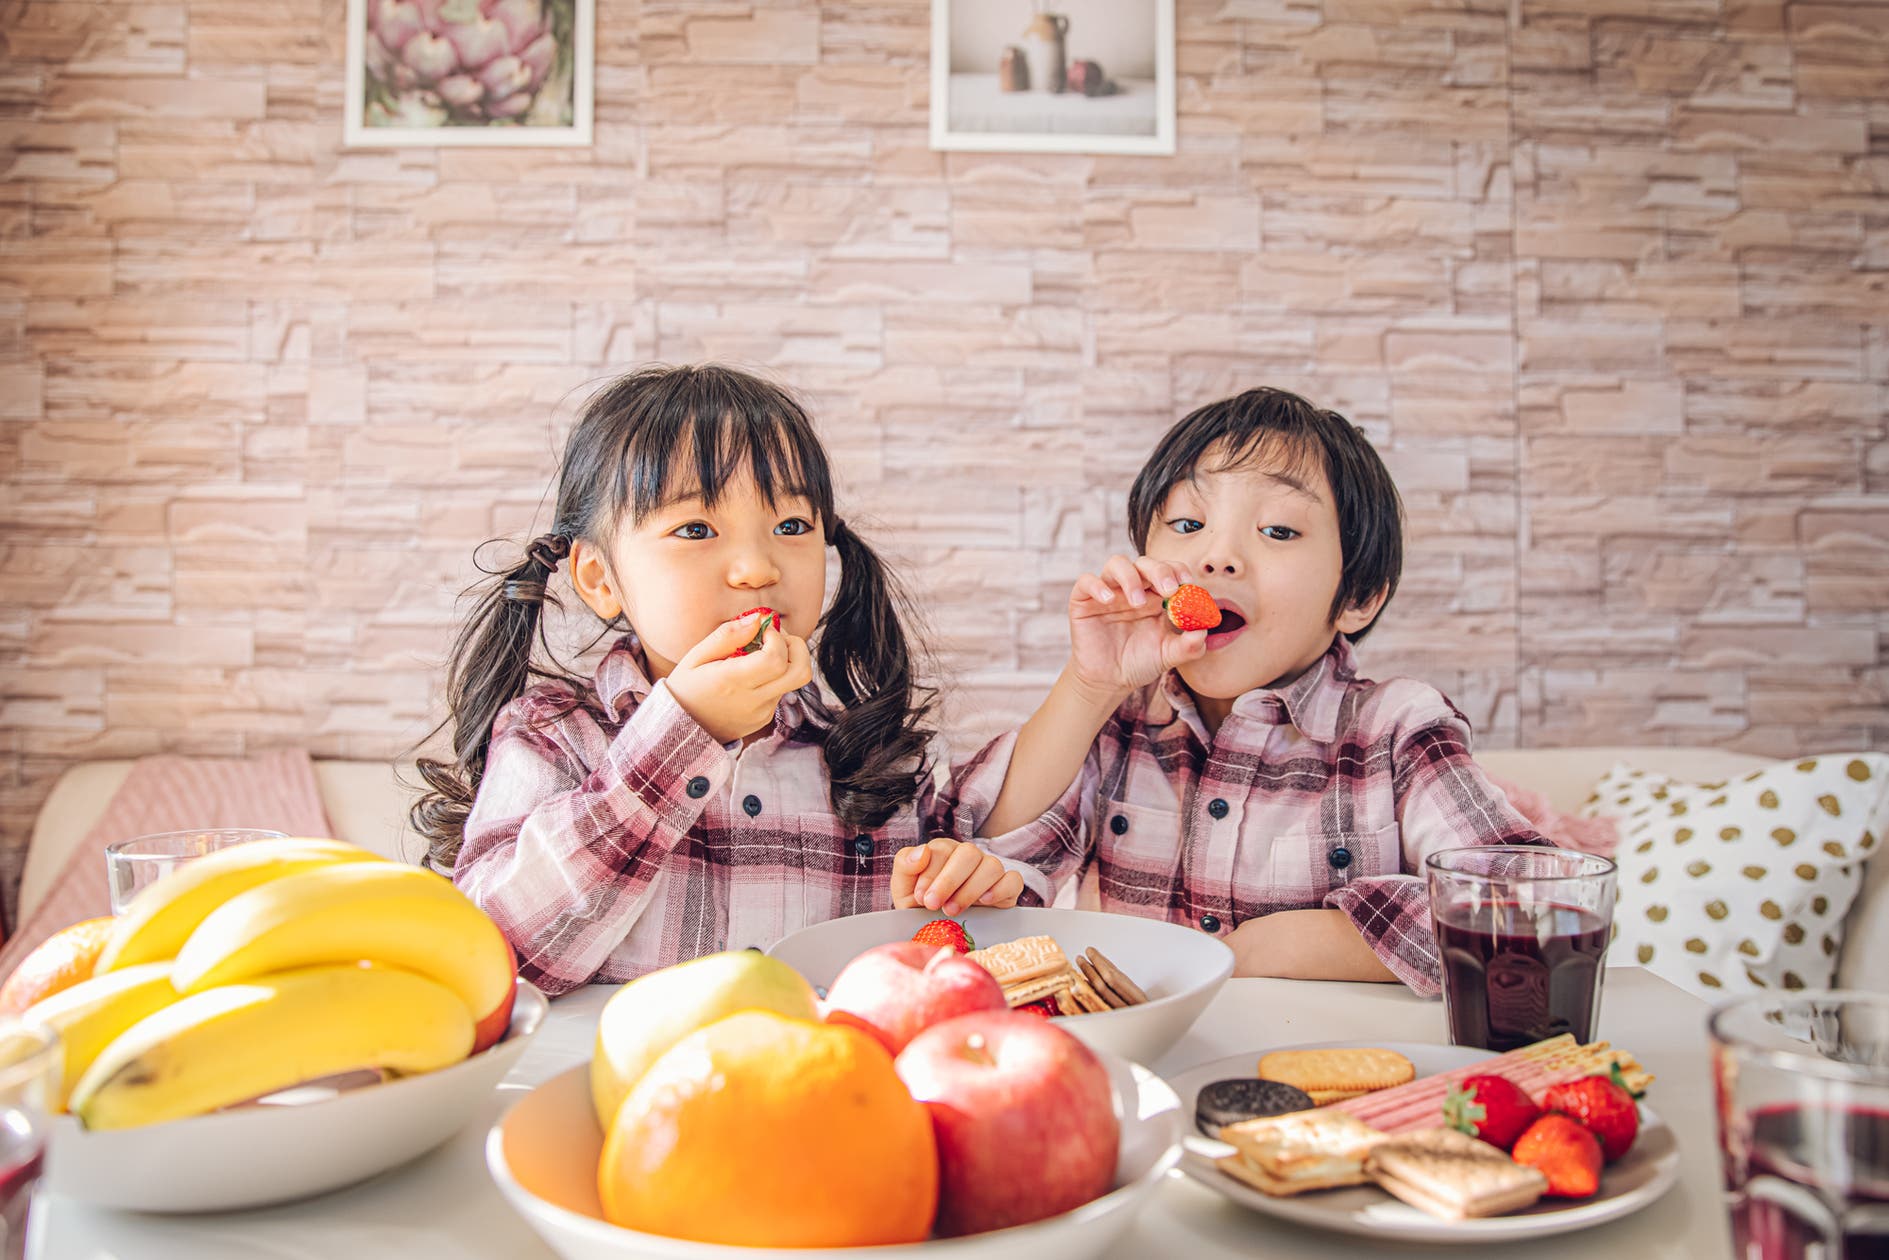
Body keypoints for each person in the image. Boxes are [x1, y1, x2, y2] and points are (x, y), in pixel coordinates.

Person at [893, 386, 1547, 994]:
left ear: (1355, 596)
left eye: (1278, 531)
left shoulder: (1395, 727)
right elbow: (971, 852)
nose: (1215, 557)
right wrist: (1088, 686)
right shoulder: (1116, 724)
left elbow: (1527, 906)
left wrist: (1287, 947)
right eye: (1185, 525)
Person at [413, 364, 1027, 994]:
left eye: (791, 526)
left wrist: (959, 882)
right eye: (696, 530)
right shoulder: (552, 736)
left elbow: (969, 911)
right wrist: (683, 733)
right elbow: (494, 957)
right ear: (600, 579)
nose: (757, 569)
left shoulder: (869, 759)